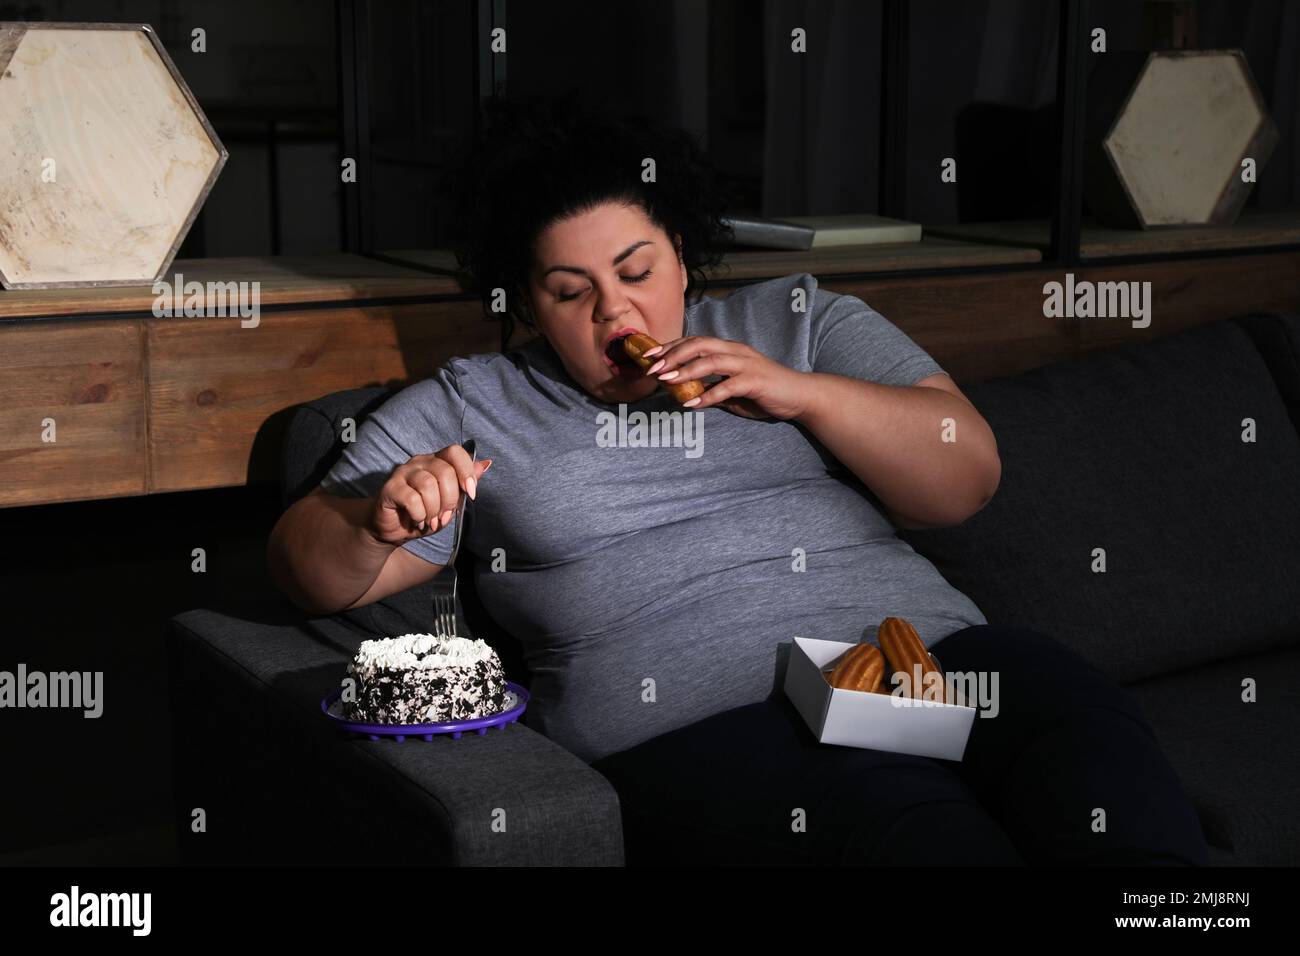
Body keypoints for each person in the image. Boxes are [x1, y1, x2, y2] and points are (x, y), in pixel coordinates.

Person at [266, 95, 1210, 866]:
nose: (615, 311)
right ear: (526, 306)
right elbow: (303, 565)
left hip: (907, 666)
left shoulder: (797, 320)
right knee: (912, 830)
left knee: (1084, 744)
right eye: (569, 292)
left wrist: (804, 397)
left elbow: (968, 473)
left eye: (637, 269)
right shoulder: (478, 401)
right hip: (694, 728)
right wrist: (379, 519)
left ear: (682, 250)